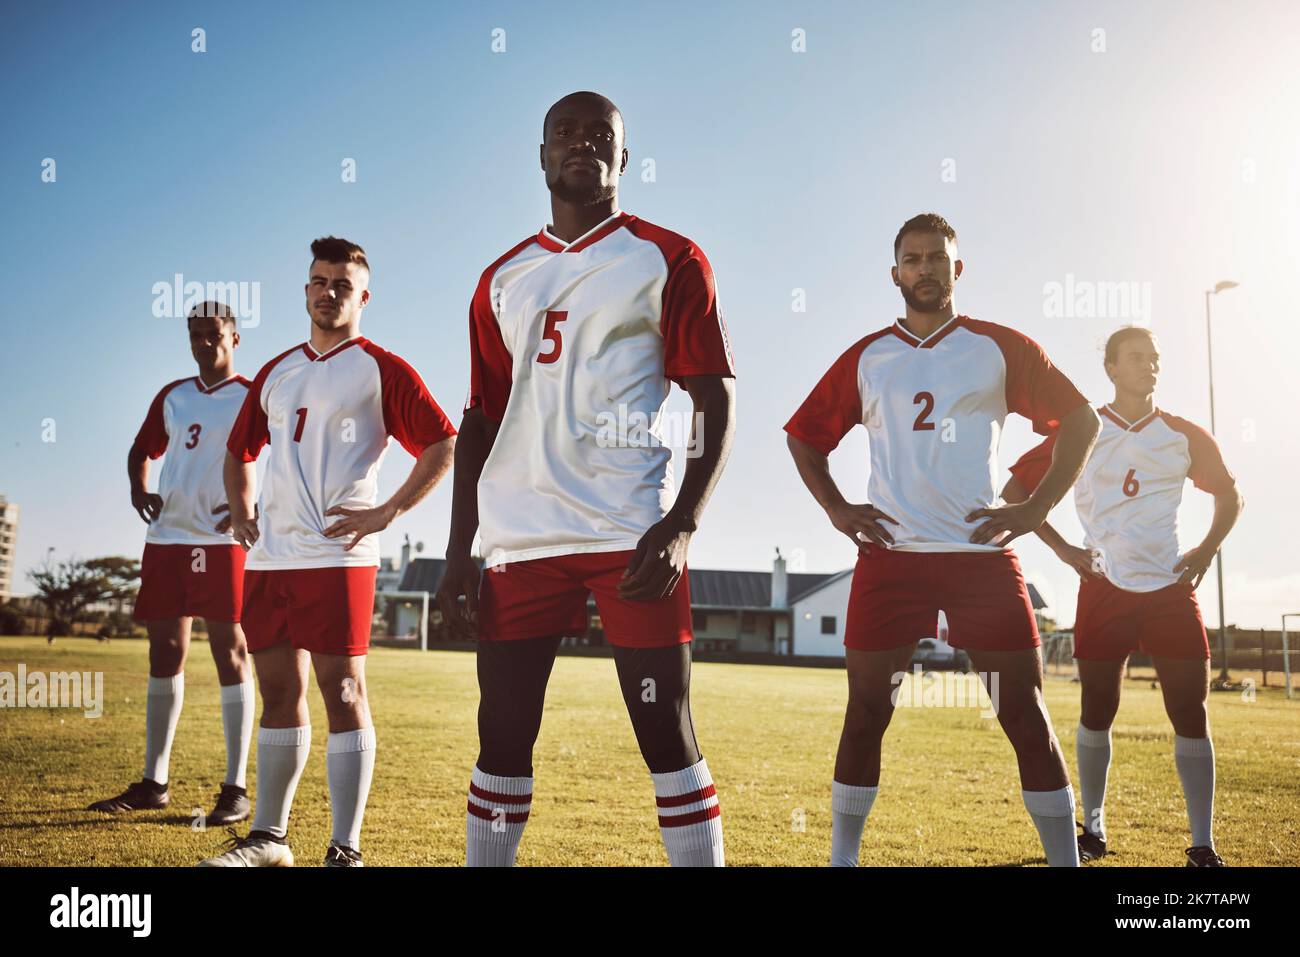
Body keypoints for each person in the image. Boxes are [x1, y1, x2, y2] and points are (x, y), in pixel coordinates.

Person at [437, 91, 736, 867]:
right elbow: (478, 420)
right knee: (501, 732)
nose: (583, 144)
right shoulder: (501, 278)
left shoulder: (668, 256)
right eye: (565, 134)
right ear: (541, 156)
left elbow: (714, 394)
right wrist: (455, 552)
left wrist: (682, 522)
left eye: (601, 135)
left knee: (664, 729)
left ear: (623, 158)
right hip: (520, 537)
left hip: (627, 532)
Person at [784, 213, 1099, 866]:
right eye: (913, 258)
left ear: (958, 269)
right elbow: (803, 436)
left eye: (937, 258)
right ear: (895, 272)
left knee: (1025, 717)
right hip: (891, 559)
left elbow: (1081, 418)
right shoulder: (869, 355)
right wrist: (838, 509)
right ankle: (843, 859)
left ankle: (1066, 859)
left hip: (980, 558)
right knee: (866, 714)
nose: (925, 268)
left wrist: (1036, 504)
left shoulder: (996, 346)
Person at [199, 238, 457, 867]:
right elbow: (239, 452)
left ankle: (345, 849)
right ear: (306, 289)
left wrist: (386, 512)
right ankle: (269, 839)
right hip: (270, 559)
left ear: (362, 296)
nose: (327, 291)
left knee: (342, 689)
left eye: (342, 284)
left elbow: (443, 443)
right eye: (319, 280)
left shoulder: (380, 368)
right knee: (279, 689)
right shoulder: (277, 371)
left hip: (340, 557)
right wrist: (240, 510)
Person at [1004, 325, 1243, 867]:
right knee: (1097, 710)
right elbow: (1017, 492)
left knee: (1190, 711)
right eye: (1135, 357)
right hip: (1103, 586)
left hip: (1169, 588)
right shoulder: (1083, 430)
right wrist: (1065, 550)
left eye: (1154, 358)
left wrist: (1205, 551)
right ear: (1110, 368)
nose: (1148, 365)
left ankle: (1202, 844)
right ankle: (1093, 830)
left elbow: (1231, 496)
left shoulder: (1182, 434)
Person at [90, 302, 254, 828]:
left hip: (222, 541)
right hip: (166, 541)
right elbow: (141, 449)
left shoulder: (255, 396)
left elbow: (288, 458)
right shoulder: (174, 396)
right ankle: (153, 782)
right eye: (197, 335)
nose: (206, 343)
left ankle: (236, 788)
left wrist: (255, 508)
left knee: (231, 652)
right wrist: (138, 487)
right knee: (165, 651)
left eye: (215, 334)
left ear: (234, 337)